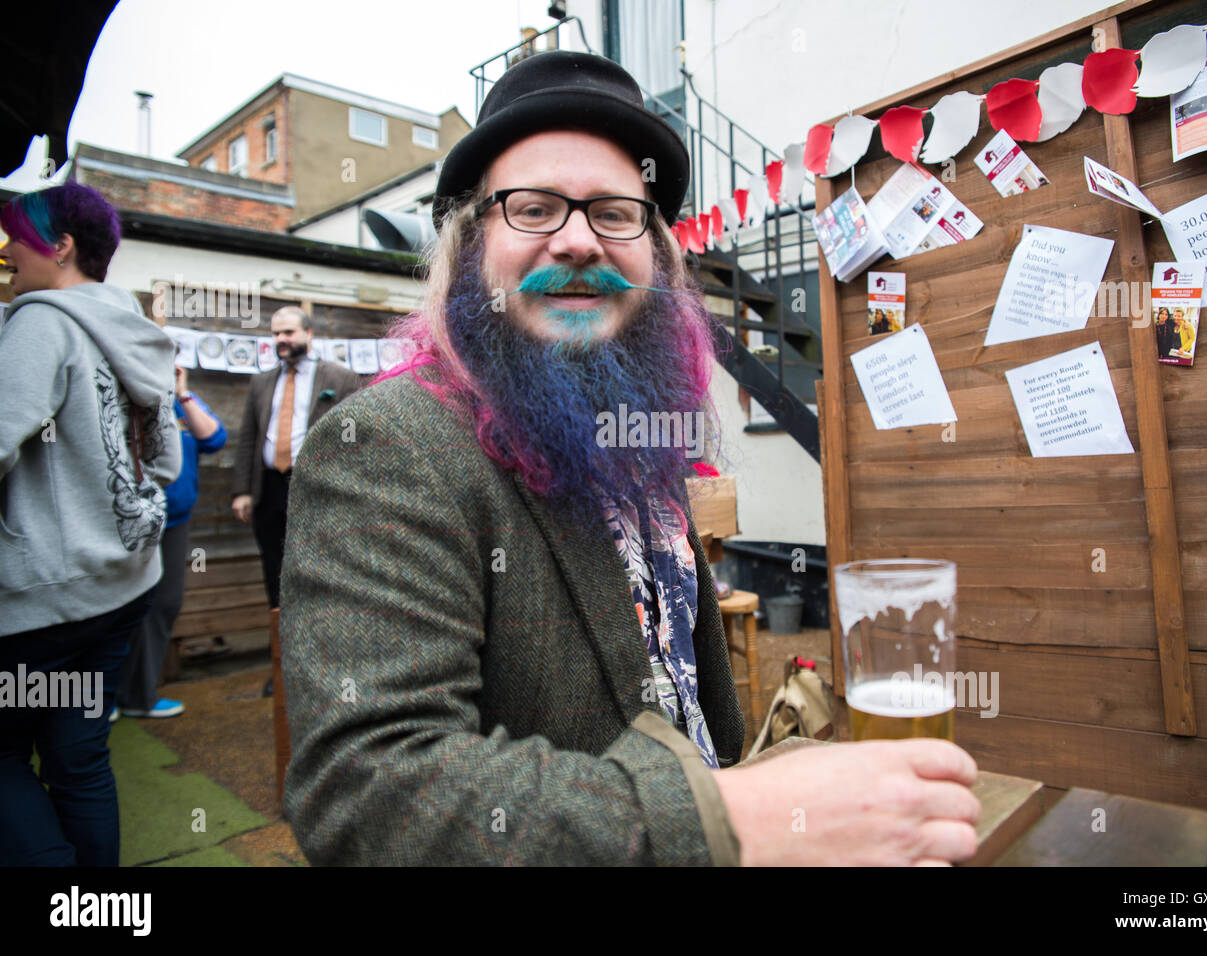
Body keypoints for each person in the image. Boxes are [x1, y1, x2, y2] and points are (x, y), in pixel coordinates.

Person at [280, 51, 980, 866]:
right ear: (471, 244)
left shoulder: (632, 436)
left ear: (658, 257)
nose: (578, 240)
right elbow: (369, 793)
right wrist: (728, 819)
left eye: (616, 213)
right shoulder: (391, 447)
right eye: (534, 208)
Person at [0, 181, 181, 865]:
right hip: (123, 587)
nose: (7, 249)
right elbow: (163, 464)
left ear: (62, 244)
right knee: (79, 759)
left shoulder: (41, 322)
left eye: (15, 233)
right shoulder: (141, 332)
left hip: (43, 600)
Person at [230, 306, 360, 611]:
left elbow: (354, 439)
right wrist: (242, 491)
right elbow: (248, 436)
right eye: (276, 333)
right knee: (274, 566)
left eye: (288, 332)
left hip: (317, 487)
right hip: (269, 486)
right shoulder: (261, 382)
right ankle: (281, 642)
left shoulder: (341, 378)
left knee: (319, 563)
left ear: (309, 333)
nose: (281, 339)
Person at [117, 362, 226, 719]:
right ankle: (98, 701)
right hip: (128, 523)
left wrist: (183, 392)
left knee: (164, 604)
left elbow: (214, 438)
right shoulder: (129, 399)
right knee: (116, 608)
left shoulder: (182, 404)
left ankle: (139, 697)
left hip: (176, 522)